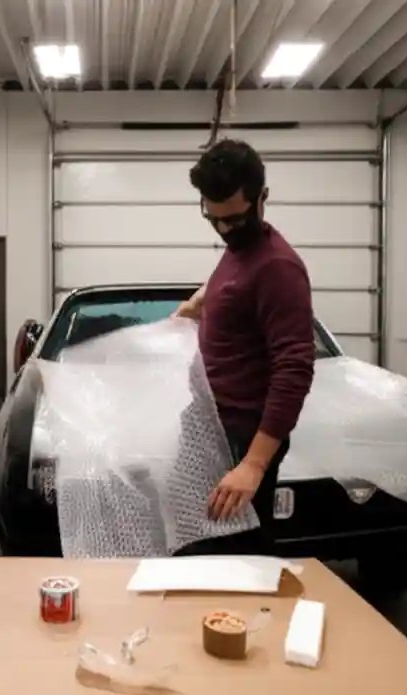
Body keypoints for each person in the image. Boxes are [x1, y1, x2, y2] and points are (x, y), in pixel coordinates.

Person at [173, 138, 316, 555]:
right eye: (212, 218)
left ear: (262, 199)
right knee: (197, 545)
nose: (224, 230)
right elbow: (244, 286)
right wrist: (205, 300)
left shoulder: (279, 267)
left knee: (232, 558)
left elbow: (294, 368)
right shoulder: (242, 252)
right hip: (213, 425)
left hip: (240, 436)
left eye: (234, 219)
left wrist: (252, 465)